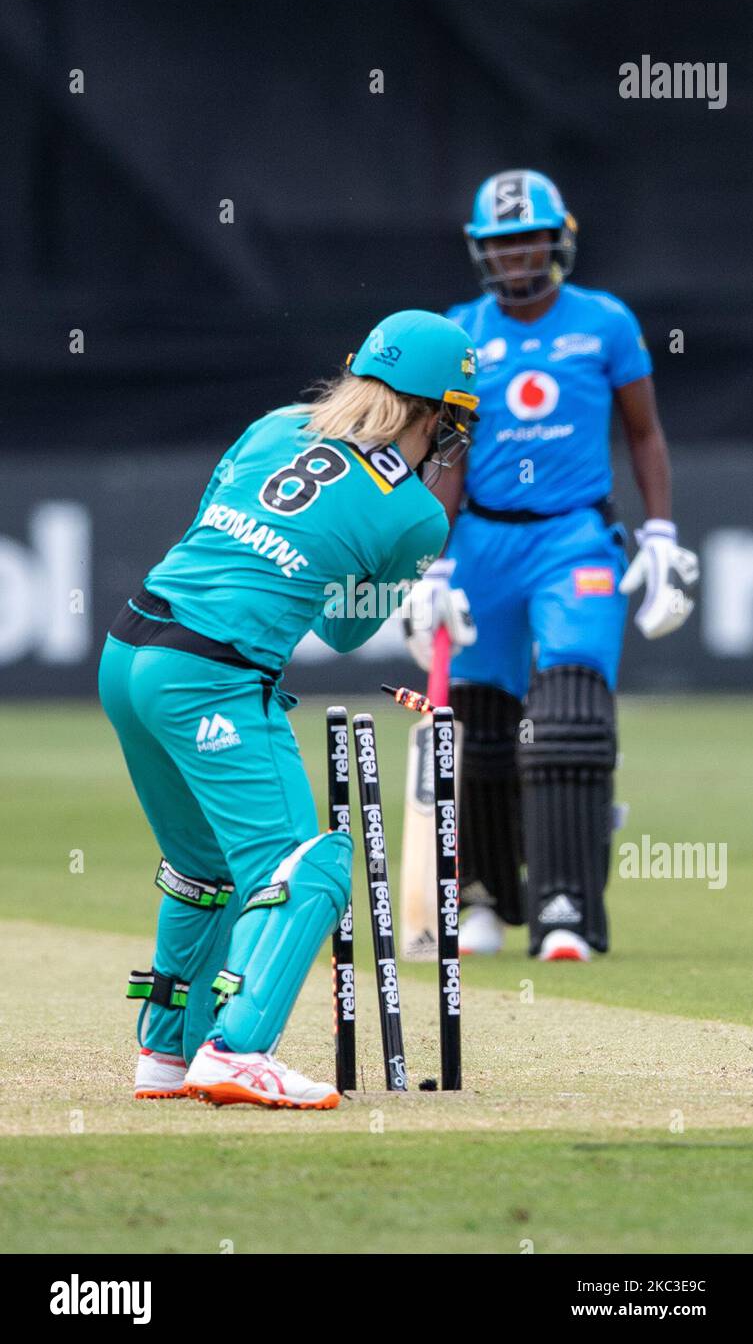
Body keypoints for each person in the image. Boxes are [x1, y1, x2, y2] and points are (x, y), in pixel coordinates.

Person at [99, 309, 478, 1108]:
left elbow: (210, 525)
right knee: (312, 865)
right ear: (436, 416)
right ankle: (235, 1051)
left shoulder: (276, 424)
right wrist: (408, 586)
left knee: (204, 866)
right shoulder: (416, 514)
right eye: (455, 422)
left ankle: (166, 1054)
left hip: (130, 650)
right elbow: (343, 631)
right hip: (214, 674)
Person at [403, 170, 698, 962]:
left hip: (573, 538)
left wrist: (661, 534)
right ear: (479, 251)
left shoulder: (603, 322)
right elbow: (449, 454)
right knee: (476, 728)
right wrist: (431, 564)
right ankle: (488, 898)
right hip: (482, 544)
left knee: (567, 716)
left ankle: (566, 905)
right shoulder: (461, 332)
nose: (517, 255)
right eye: (501, 243)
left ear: (557, 239)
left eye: (529, 238)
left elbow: (644, 433)